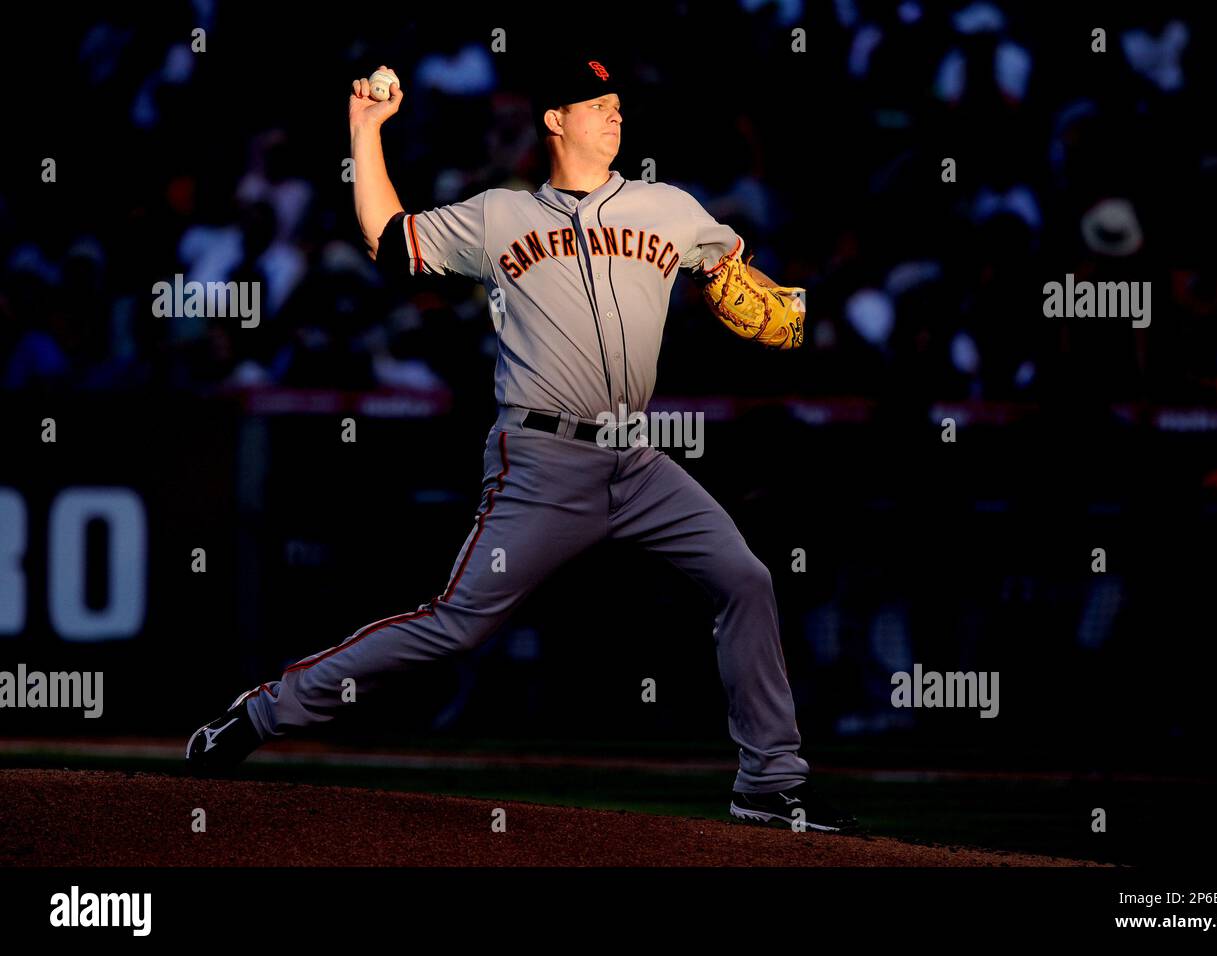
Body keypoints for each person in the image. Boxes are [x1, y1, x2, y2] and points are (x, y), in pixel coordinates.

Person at [185, 55, 857, 834]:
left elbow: (744, 281)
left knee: (745, 579)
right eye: (596, 104)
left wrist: (780, 301)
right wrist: (365, 133)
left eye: (617, 105)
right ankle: (263, 713)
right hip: (539, 462)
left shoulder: (669, 207)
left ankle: (770, 784)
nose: (614, 116)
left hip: (638, 461)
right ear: (555, 120)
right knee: (455, 624)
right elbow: (389, 239)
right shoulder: (500, 218)